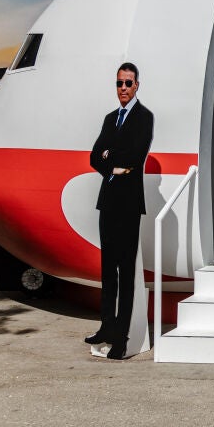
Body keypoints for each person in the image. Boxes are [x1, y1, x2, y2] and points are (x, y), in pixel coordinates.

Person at [85, 63, 154, 360]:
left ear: (137, 85)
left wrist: (109, 155)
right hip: (108, 201)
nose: (123, 88)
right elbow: (93, 156)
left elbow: (135, 156)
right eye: (119, 83)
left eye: (128, 83)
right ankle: (106, 327)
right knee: (107, 270)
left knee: (125, 272)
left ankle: (122, 339)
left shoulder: (144, 117)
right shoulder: (110, 118)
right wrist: (113, 164)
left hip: (128, 204)